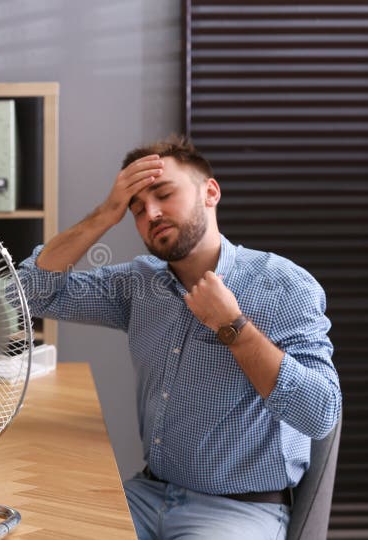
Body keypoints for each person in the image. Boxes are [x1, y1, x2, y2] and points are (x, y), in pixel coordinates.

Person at [17, 135, 341, 539]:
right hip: (148, 494)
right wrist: (104, 214)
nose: (151, 213)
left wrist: (233, 327)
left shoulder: (283, 286)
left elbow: (320, 413)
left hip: (238, 511)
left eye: (164, 194)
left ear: (210, 192)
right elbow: (29, 293)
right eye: (136, 209)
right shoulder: (139, 284)